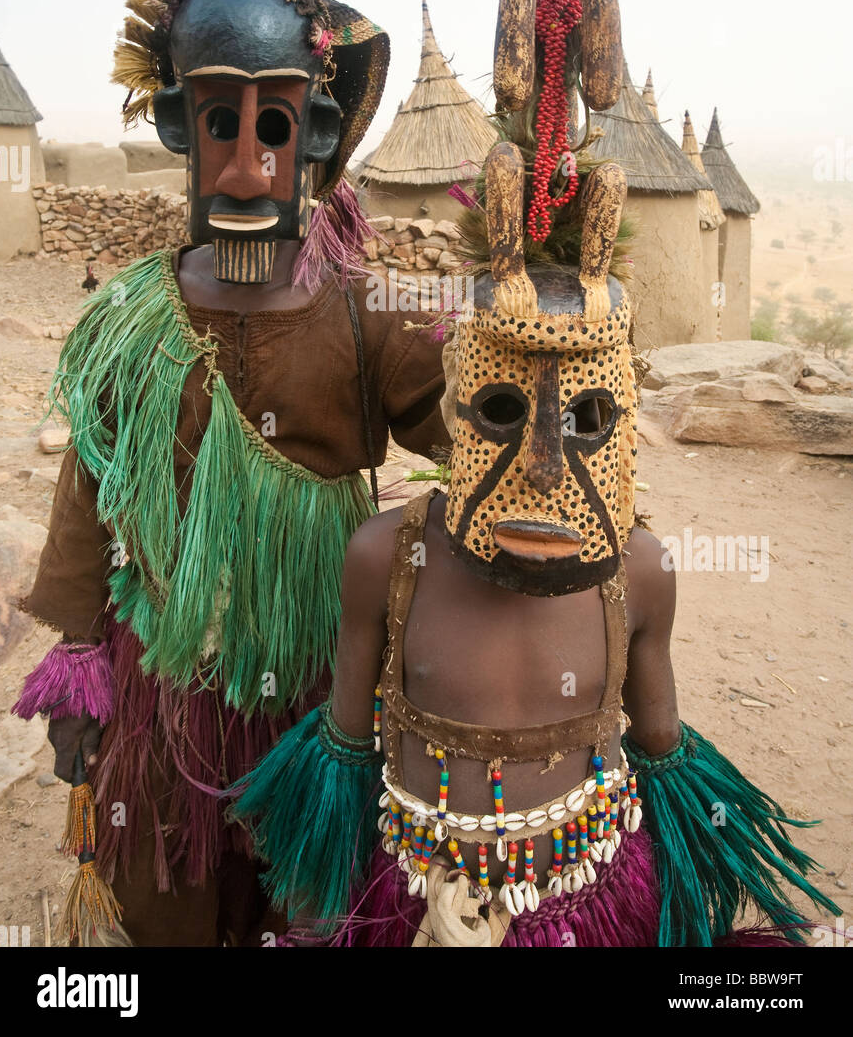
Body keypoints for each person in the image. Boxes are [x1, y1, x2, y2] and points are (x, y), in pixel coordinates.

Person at [230, 141, 840, 947]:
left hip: (589, 902)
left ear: (623, 417)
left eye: (587, 420)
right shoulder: (388, 558)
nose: (547, 471)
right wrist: (315, 916)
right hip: (411, 900)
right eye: (503, 411)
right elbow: (345, 751)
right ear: (454, 405)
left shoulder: (640, 574)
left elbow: (662, 751)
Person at [13, 0, 449, 946]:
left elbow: (482, 450)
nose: (249, 170)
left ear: (317, 130)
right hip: (160, 686)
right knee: (164, 897)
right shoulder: (128, 319)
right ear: (176, 124)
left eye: (277, 128)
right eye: (219, 123)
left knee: (308, 901)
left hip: (320, 695)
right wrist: (79, 667)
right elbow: (91, 492)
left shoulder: (367, 313)